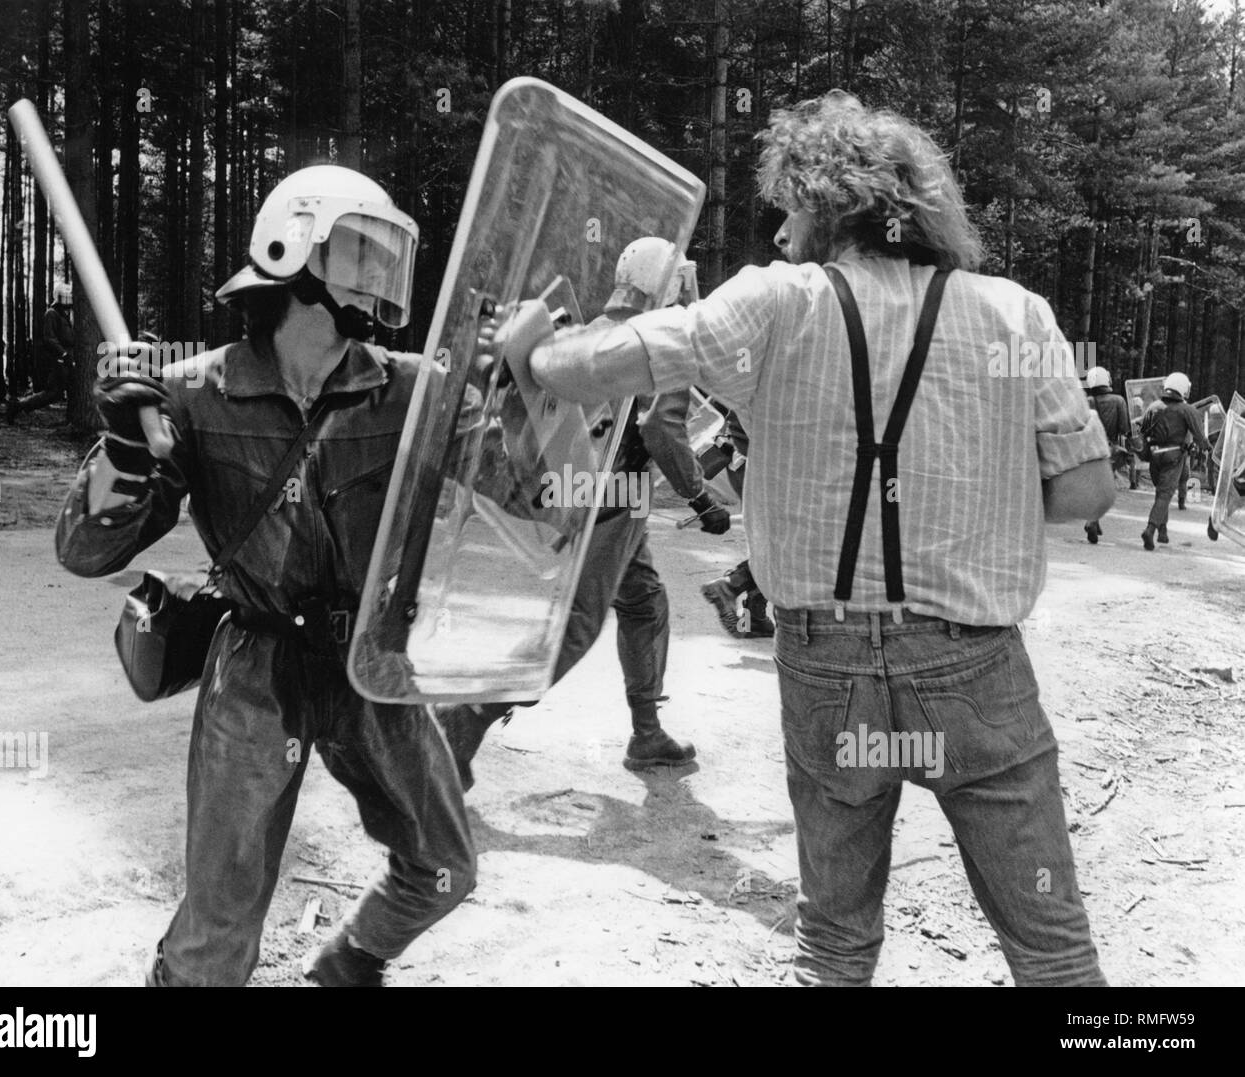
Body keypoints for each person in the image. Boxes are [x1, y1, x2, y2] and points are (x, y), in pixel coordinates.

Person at [505, 91, 1113, 986]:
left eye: (789, 205)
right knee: (1054, 948)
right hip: (975, 672)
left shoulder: (775, 303)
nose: (781, 229)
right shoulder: (1016, 314)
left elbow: (630, 357)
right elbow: (1086, 490)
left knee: (832, 944)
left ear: (830, 201)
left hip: (827, 670)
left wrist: (534, 357)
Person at [54, 165, 477, 987]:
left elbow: (521, 480)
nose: (382, 277)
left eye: (387, 255)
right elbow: (84, 550)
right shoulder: (187, 394)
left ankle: (349, 963)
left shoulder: (411, 390)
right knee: (217, 940)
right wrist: (125, 455)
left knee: (445, 866)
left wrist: (547, 382)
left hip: (370, 664)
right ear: (293, 254)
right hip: (255, 671)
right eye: (360, 252)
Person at [437, 238, 729, 787]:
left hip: (583, 487)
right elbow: (659, 429)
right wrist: (701, 497)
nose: (690, 292)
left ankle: (647, 733)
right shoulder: (661, 341)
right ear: (666, 284)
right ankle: (466, 719)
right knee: (577, 625)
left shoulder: (591, 327)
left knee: (643, 600)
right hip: (617, 495)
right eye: (683, 281)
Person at [699, 411, 775, 637]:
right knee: (790, 540)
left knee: (771, 538)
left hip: (742, 458)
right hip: (761, 462)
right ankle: (731, 585)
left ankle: (754, 618)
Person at [1138, 372, 1210, 550]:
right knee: (1165, 494)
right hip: (1174, 456)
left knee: (1161, 493)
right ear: (1183, 389)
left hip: (1155, 456)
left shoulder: (1154, 406)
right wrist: (1209, 448)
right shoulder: (1187, 410)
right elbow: (1200, 438)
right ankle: (1150, 529)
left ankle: (1163, 532)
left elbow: (1142, 430)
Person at [7, 283, 74, 420]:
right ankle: (18, 406)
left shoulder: (66, 315)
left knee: (70, 389)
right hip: (59, 360)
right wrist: (63, 354)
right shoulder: (52, 314)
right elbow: (50, 338)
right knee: (53, 393)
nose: (67, 303)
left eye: (68, 299)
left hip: (68, 358)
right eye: (64, 299)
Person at [1081, 366, 1130, 543]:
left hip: (1089, 448)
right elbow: (1124, 428)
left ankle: (1094, 520)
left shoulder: (1086, 400)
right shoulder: (1119, 401)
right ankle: (1092, 521)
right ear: (1107, 381)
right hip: (1109, 449)